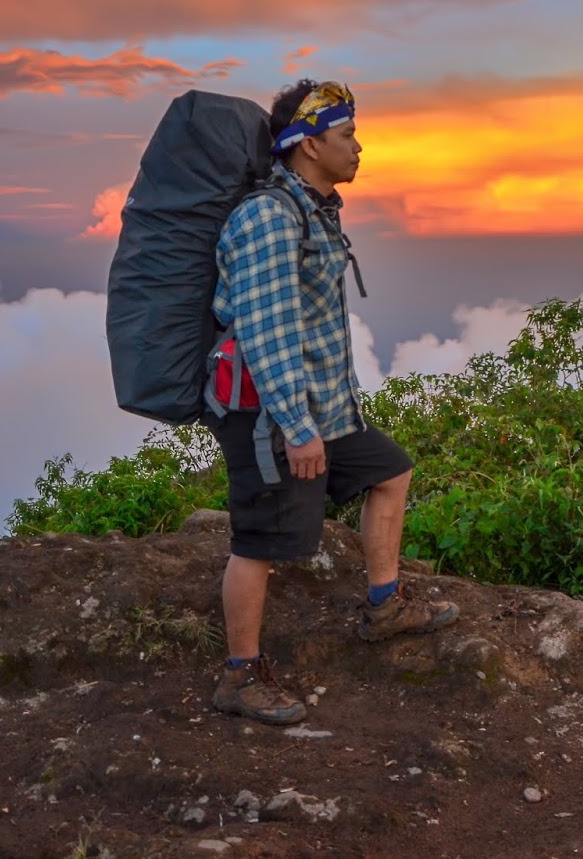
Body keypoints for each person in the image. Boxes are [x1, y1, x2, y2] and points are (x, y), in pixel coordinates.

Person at [207, 78, 459, 726]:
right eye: (346, 134)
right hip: (270, 414)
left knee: (389, 470)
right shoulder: (268, 217)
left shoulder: (314, 209)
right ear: (309, 141)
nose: (359, 146)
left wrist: (323, 419)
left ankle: (383, 605)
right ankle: (240, 675)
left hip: (318, 408)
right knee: (260, 540)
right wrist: (296, 426)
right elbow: (267, 329)